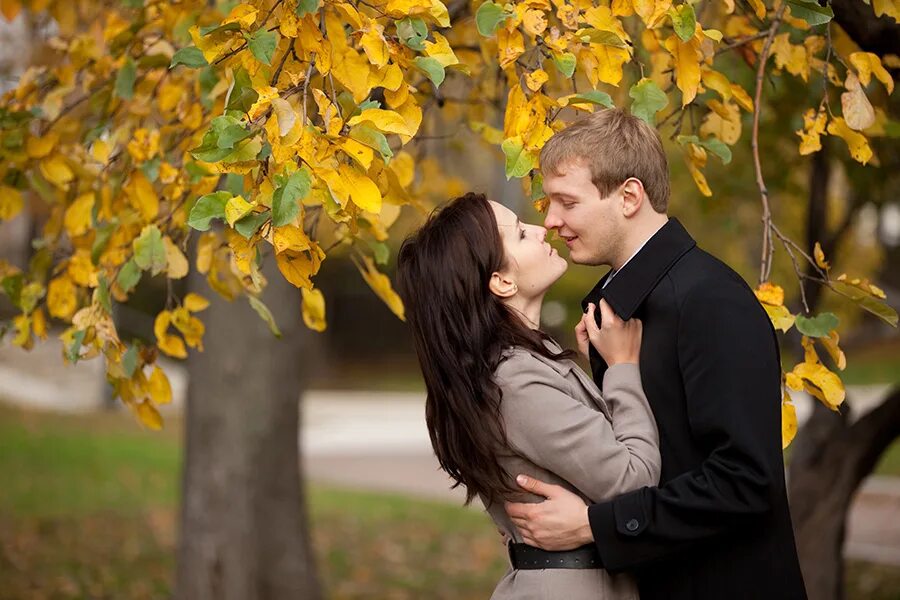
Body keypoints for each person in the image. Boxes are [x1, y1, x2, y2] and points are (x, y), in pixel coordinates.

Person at [504, 108, 807, 599]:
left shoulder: (711, 301)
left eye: (567, 202)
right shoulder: (615, 314)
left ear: (628, 196)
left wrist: (595, 526)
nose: (551, 220)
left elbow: (747, 480)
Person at [396, 192, 661, 599]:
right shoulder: (514, 381)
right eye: (520, 234)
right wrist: (624, 368)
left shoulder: (516, 367)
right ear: (501, 281)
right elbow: (633, 482)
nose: (542, 230)